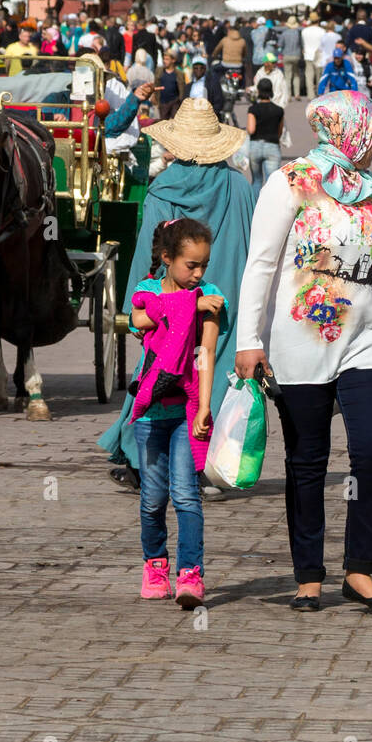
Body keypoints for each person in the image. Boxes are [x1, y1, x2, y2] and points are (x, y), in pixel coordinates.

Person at [234, 92, 372, 613]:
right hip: (301, 341)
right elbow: (260, 263)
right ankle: (307, 574)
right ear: (353, 131)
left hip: (368, 341)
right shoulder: (289, 183)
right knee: (307, 460)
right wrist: (249, 340)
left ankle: (360, 570)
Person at [97, 100, 255, 480]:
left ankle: (142, 459)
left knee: (158, 372)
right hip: (225, 301)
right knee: (213, 371)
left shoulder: (163, 189)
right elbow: (255, 249)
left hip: (170, 304)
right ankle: (207, 460)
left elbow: (149, 254)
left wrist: (140, 304)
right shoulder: (239, 186)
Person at [128, 218, 222, 609]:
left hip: (186, 409)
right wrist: (189, 304)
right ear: (167, 259)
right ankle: (155, 565)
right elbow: (138, 320)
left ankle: (190, 574)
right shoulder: (146, 292)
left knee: (186, 495)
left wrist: (203, 405)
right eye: (190, 265)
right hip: (150, 410)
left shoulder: (211, 296)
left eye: (203, 265)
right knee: (152, 500)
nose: (198, 274)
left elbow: (207, 353)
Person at [246, 78, 285, 197]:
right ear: (271, 91)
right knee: (271, 182)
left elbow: (251, 129)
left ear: (258, 91)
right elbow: (279, 132)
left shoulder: (253, 109)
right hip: (272, 146)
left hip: (255, 146)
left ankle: (253, 209)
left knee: (257, 181)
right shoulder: (279, 110)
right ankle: (269, 209)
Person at [300, 16, 325, 98]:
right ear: (318, 20)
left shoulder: (304, 31)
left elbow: (304, 44)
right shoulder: (322, 31)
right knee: (319, 76)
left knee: (309, 76)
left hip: (308, 54)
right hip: (319, 54)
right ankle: (319, 93)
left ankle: (310, 95)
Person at [279, 16, 303, 99]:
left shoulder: (284, 33)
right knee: (296, 75)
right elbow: (301, 44)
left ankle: (288, 95)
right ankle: (297, 94)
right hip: (296, 55)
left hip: (287, 55)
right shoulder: (298, 33)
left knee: (287, 76)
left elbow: (280, 45)